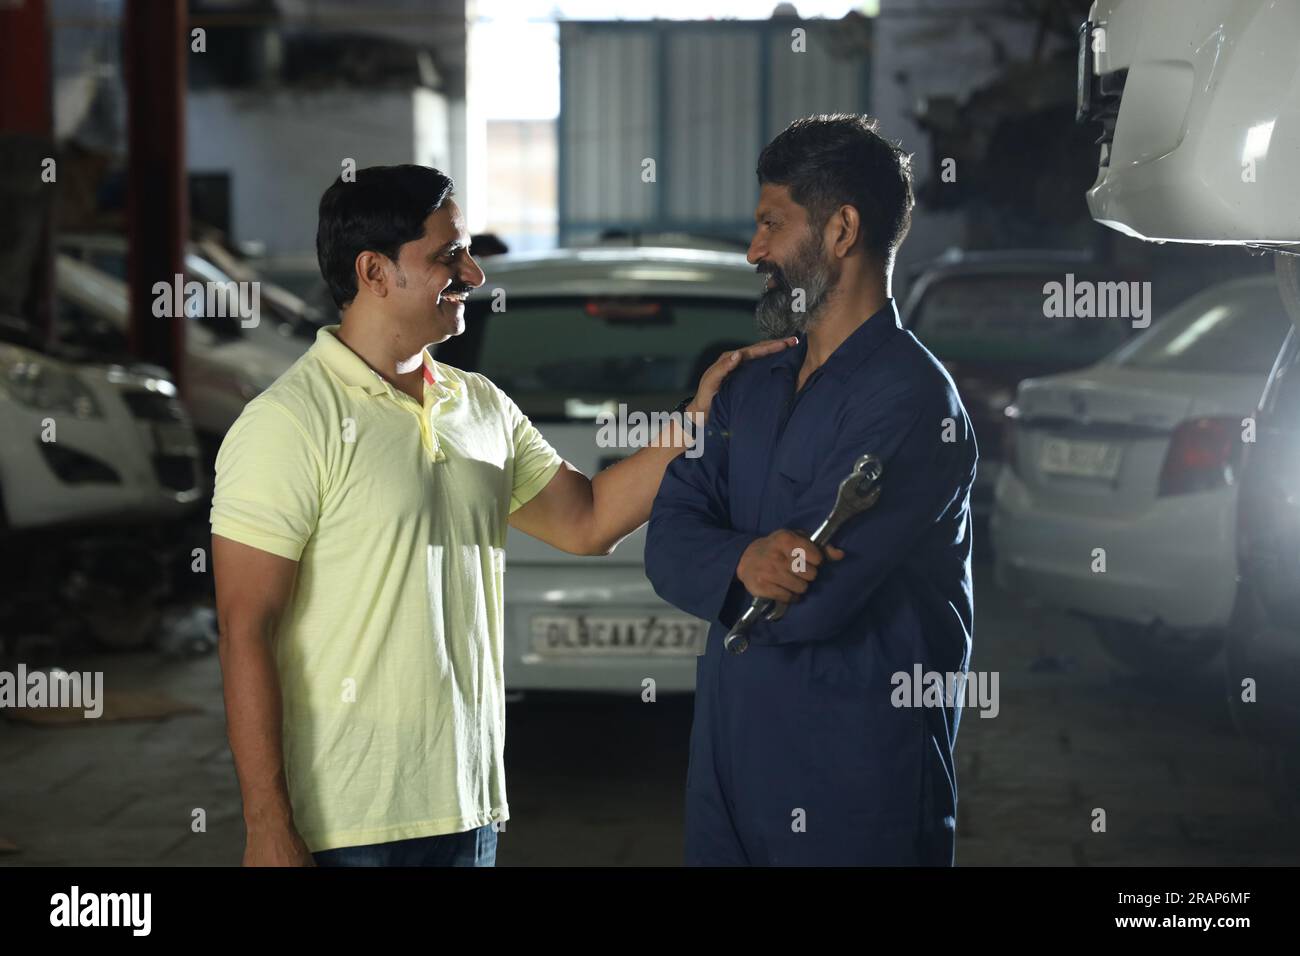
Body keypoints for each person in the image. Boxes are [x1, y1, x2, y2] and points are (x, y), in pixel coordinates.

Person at [210, 164, 793, 866]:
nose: (475, 275)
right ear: (374, 271)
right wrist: (267, 823)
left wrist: (696, 416)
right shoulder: (288, 423)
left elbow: (587, 519)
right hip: (344, 824)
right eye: (446, 255)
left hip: (467, 808)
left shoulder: (478, 405)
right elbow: (247, 631)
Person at [644, 115, 979, 865]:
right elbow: (666, 542)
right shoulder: (746, 383)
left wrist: (732, 560)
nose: (754, 249)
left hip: (856, 791)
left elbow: (807, 602)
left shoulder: (913, 399)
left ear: (842, 229)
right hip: (728, 780)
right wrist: (743, 559)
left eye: (771, 223)